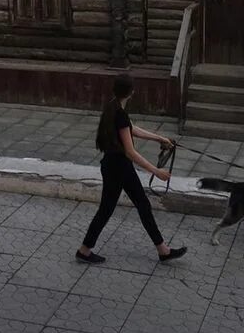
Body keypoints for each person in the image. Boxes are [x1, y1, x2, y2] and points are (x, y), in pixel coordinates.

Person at [76, 74, 188, 265]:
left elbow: (130, 128)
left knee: (129, 206)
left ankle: (162, 250)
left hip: (114, 165)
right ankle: (85, 250)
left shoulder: (113, 106)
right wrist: (156, 171)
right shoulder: (119, 112)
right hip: (119, 168)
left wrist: (159, 138)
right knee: (120, 208)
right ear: (131, 92)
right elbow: (130, 151)